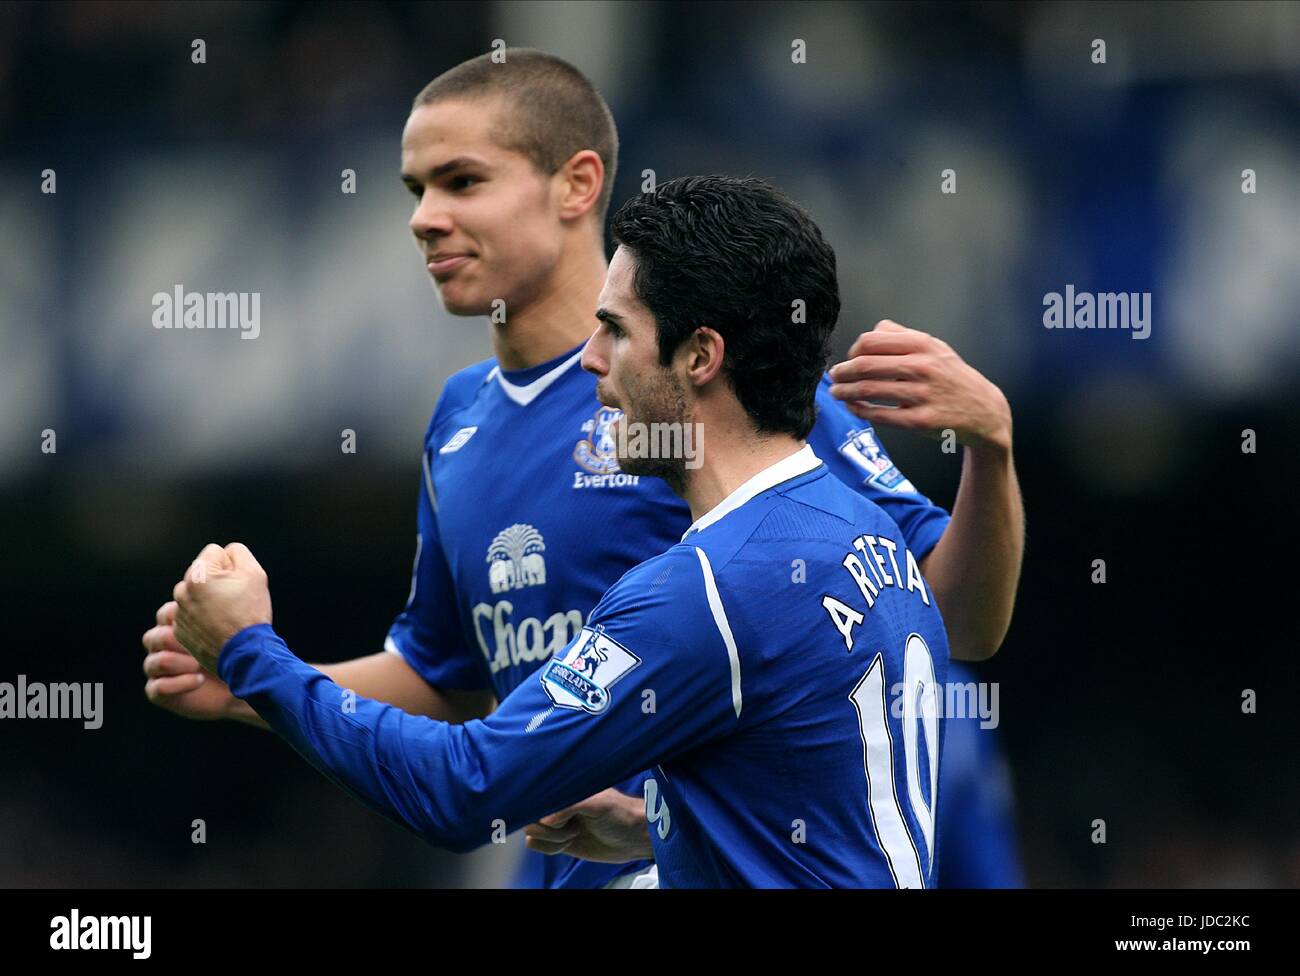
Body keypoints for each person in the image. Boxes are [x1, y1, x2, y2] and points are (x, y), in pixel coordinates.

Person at [142, 50, 1023, 888]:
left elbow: (950, 619)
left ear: (577, 184)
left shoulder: (719, 405)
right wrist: (254, 682)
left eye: (462, 181)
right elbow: (447, 678)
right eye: (415, 189)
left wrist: (991, 452)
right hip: (604, 850)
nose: (424, 217)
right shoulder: (462, 421)